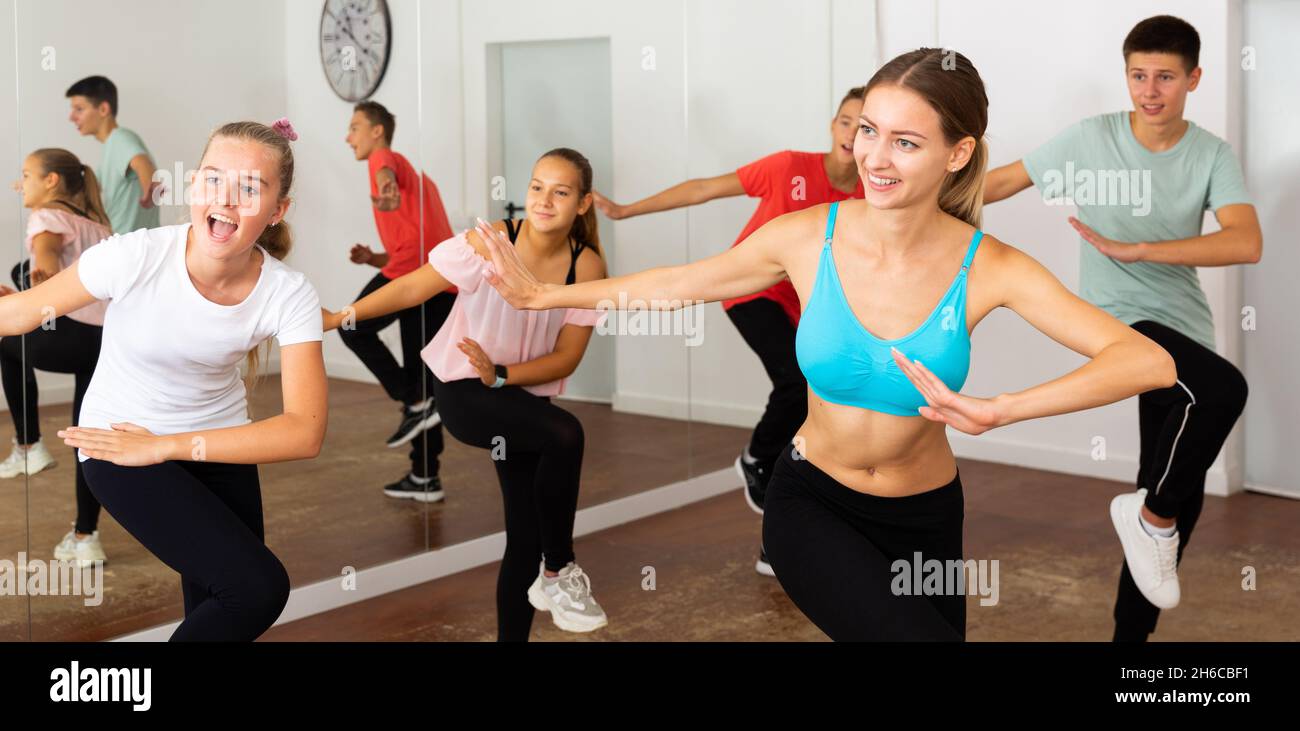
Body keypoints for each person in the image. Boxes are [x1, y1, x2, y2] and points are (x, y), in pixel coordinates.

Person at [477, 49, 1178, 641]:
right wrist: (546, 295)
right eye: (869, 130)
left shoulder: (989, 265)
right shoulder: (809, 235)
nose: (873, 155)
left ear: (957, 154)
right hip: (812, 501)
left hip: (929, 519)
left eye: (906, 141)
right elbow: (677, 284)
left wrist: (1003, 408)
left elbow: (1147, 361)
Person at [983, 15, 1261, 641]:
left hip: (1184, 326)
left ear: (1194, 78)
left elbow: (1246, 241)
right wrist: (925, 196)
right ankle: (1150, 520)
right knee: (1221, 395)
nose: (1150, 90)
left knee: (1172, 495)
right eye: (1138, 75)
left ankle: (1129, 643)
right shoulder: (1091, 138)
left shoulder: (1210, 153)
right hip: (1118, 323)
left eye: (1165, 76)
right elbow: (1003, 182)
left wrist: (1140, 251)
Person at [0, 119, 328, 641]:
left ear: (277, 211)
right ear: (194, 184)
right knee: (256, 589)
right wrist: (148, 447)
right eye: (215, 180)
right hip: (118, 442)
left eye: (251, 188)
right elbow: (17, 315)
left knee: (221, 602)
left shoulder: (289, 293)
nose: (227, 199)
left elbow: (304, 431)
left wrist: (168, 446)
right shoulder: (137, 255)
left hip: (212, 446)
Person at [324, 148, 609, 640]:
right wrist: (342, 316)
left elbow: (565, 360)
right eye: (537, 187)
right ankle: (560, 572)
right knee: (567, 433)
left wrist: (501, 373)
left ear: (583, 203)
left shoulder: (586, 266)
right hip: (462, 389)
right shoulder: (492, 240)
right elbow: (413, 287)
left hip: (516, 399)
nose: (544, 200)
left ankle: (528, 609)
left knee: (524, 537)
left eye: (560, 192)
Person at [594, 87, 867, 576]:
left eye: (864, 126)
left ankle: (776, 542)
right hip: (750, 292)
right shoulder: (788, 168)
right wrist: (626, 210)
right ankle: (755, 458)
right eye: (847, 121)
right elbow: (704, 188)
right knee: (797, 382)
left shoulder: (870, 195)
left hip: (807, 309)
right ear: (833, 125)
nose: (852, 134)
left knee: (822, 411)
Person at [1, 148, 111, 567]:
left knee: (3, 339)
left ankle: (29, 445)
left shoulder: (47, 217)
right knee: (87, 439)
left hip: (69, 336)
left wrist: (34, 284)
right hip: (103, 344)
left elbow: (45, 263)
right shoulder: (98, 226)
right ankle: (86, 537)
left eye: (25, 174)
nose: (18, 184)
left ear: (51, 182)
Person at [341, 101, 455, 501]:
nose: (347, 136)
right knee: (422, 382)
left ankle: (413, 400)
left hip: (416, 278)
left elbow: (384, 169)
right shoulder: (419, 180)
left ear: (377, 131)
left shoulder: (385, 160)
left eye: (355, 127)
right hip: (437, 281)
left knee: (350, 326)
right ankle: (425, 476)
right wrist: (373, 259)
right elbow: (417, 242)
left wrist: (385, 187)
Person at [65, 75, 161, 234]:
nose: (71, 117)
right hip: (122, 246)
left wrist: (151, 187)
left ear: (103, 109)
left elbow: (141, 162)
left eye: (79, 109)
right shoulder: (110, 147)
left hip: (129, 249)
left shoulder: (120, 138)